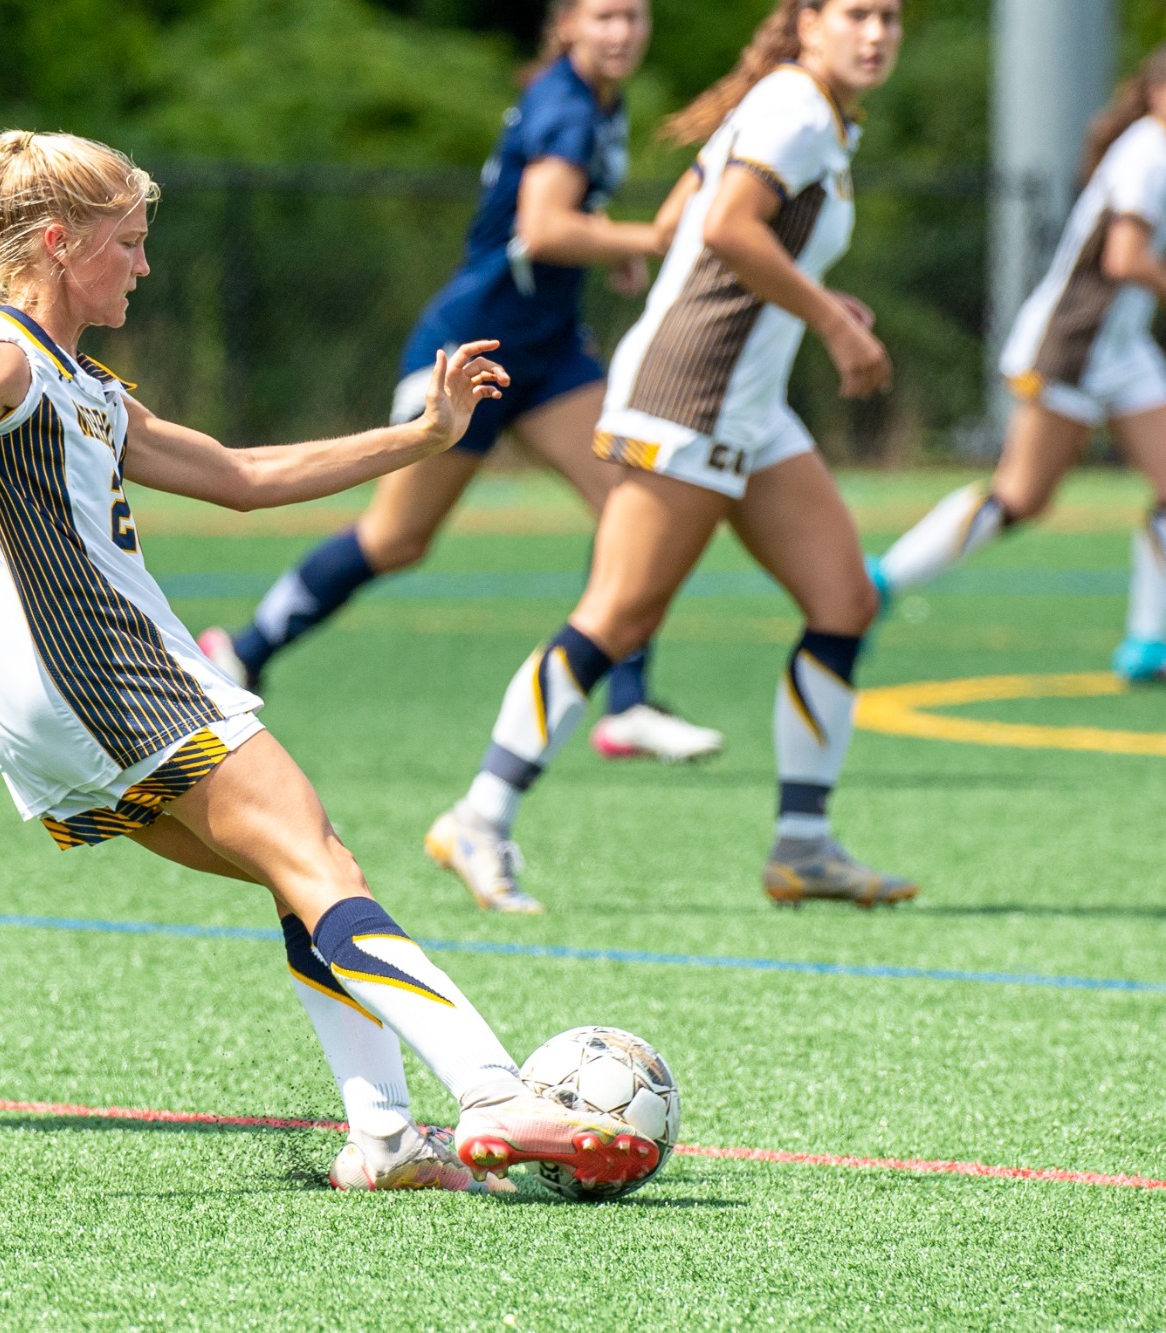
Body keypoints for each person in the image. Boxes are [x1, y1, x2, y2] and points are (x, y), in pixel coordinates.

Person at [0, 130, 663, 1195]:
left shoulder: (81, 383)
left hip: (50, 704)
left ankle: (386, 1140)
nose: (143, 264)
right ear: (57, 241)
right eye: (126, 242)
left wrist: (420, 439)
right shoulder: (3, 359)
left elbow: (241, 474)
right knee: (319, 865)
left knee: (306, 870)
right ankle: (494, 1092)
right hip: (108, 674)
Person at [199, 0, 725, 853]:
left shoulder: (596, 100)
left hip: (549, 355)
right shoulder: (563, 103)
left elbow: (558, 228)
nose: (622, 31)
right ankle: (244, 647)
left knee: (632, 499)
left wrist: (613, 245)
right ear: (564, 24)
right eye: (604, 16)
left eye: (634, 15)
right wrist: (651, 236)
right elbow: (543, 226)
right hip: (474, 349)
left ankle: (627, 706)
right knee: (397, 538)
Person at [430, 0, 918, 911]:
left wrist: (812, 300)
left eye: (890, 17)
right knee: (615, 615)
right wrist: (825, 319)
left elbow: (686, 217)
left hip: (751, 405)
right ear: (808, 24)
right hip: (689, 395)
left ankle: (803, 845)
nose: (877, 33)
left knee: (844, 599)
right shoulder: (800, 108)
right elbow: (730, 226)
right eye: (856, 14)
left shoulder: (806, 109)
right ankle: (479, 816)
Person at [875, 46, 1166, 681]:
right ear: (1156, 95)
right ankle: (880, 584)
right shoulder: (1150, 153)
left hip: (1122, 351)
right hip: (1072, 345)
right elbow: (1124, 260)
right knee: (1021, 498)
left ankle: (1150, 644)